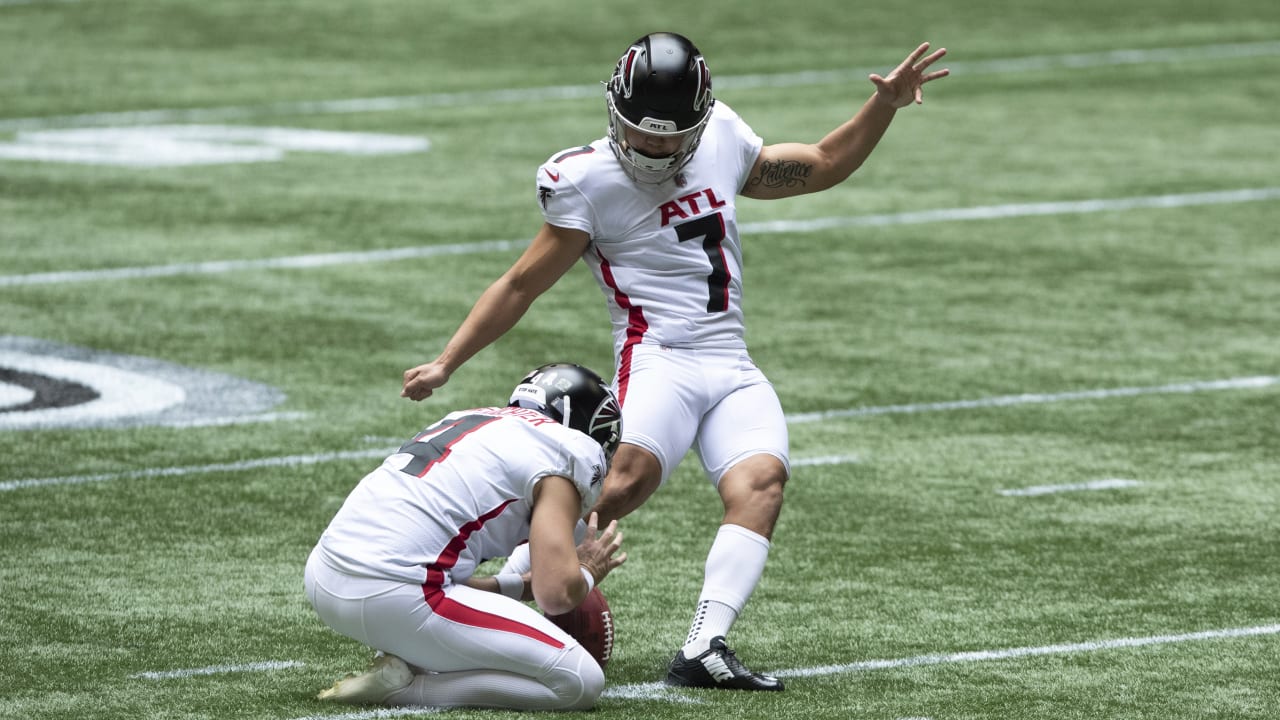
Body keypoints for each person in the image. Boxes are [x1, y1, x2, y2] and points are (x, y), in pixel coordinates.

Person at [401, 32, 949, 691]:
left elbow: (824, 162)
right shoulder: (586, 180)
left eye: (672, 135)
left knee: (761, 484)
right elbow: (522, 283)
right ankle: (468, 591)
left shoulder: (720, 136)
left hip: (730, 361)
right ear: (616, 114)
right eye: (643, 133)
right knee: (620, 485)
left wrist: (883, 107)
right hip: (658, 357)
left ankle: (704, 647)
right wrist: (447, 361)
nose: (658, 147)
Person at [306, 362, 626, 710]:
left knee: (438, 571)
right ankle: (405, 690)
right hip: (398, 595)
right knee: (580, 681)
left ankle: (405, 656)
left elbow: (433, 557)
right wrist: (587, 571)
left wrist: (515, 586)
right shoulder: (569, 451)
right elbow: (556, 595)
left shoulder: (474, 419)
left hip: (324, 576)